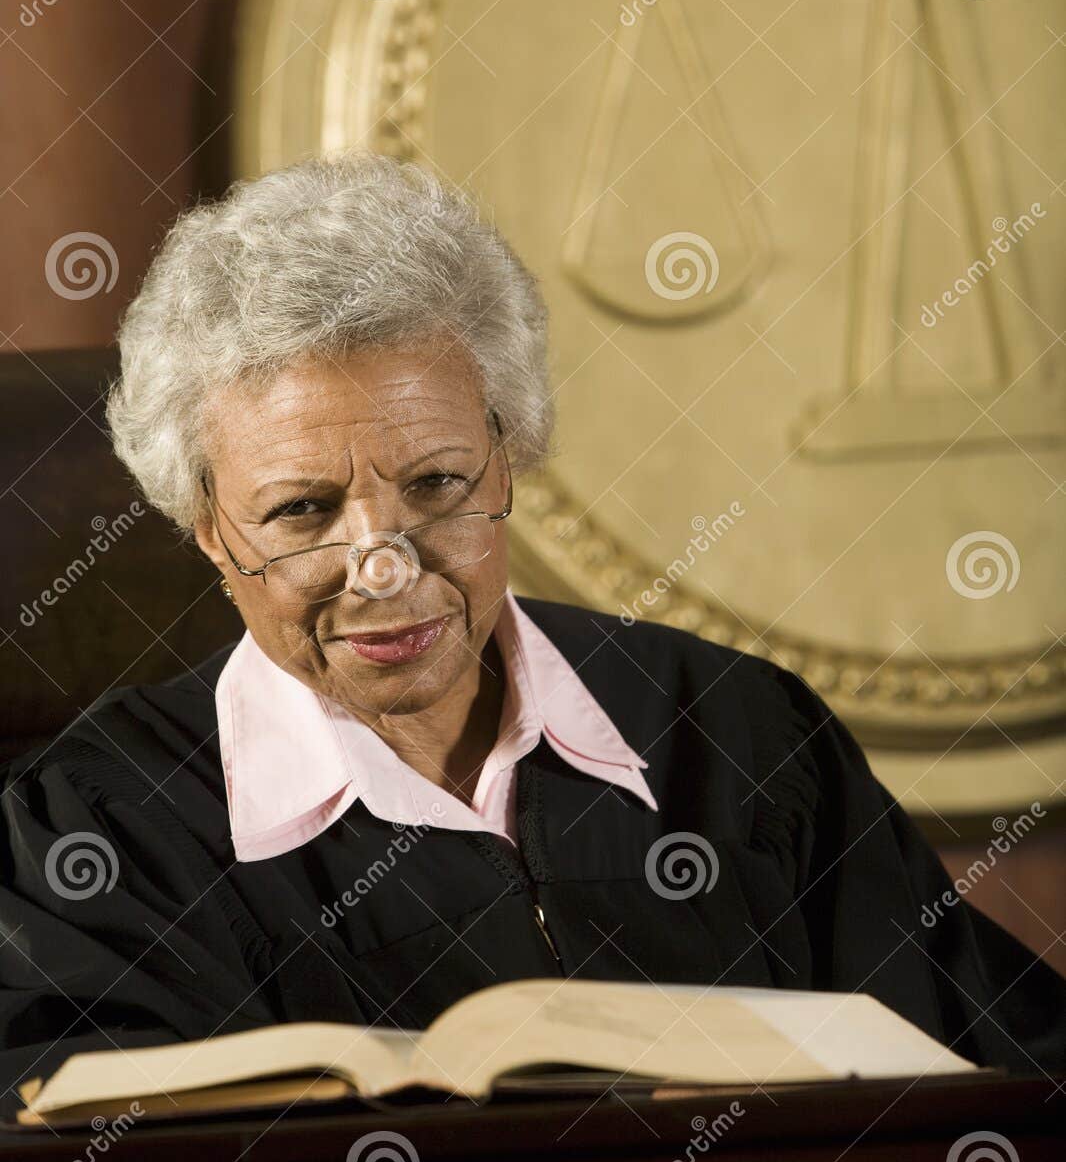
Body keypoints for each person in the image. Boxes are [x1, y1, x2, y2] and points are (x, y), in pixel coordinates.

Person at [1, 154, 1063, 1112]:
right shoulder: (96, 835)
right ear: (206, 527)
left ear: (509, 463)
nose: (384, 564)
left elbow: (1006, 1084)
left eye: (436, 485)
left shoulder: (740, 733)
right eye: (302, 511)